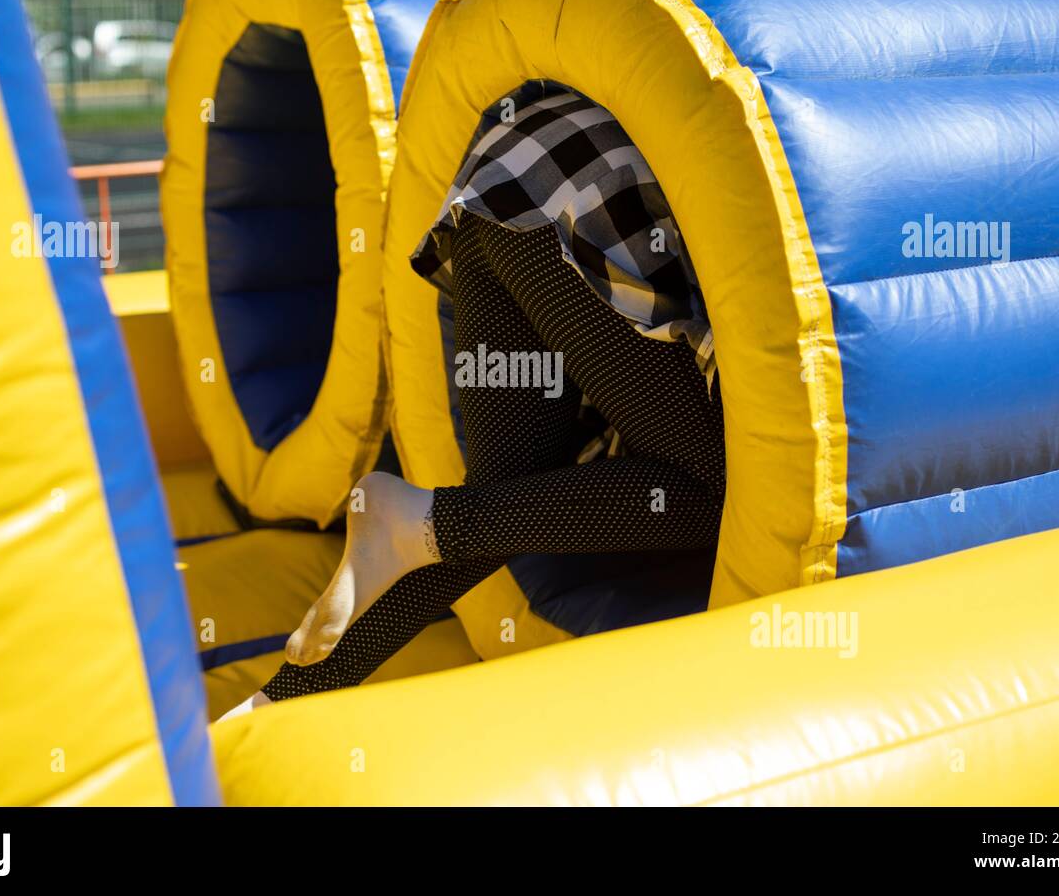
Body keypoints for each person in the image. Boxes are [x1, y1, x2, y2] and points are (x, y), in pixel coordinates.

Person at [224, 84, 723, 715]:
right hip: (580, 187)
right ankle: (409, 519)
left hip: (496, 188)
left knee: (501, 496)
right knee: (711, 492)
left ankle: (278, 702)